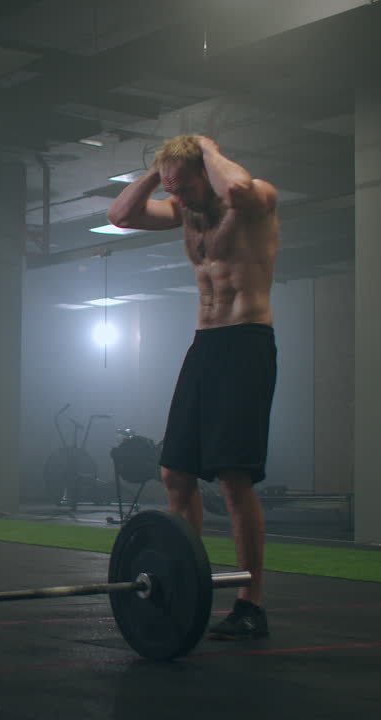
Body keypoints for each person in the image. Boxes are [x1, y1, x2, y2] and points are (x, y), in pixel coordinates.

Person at [106, 135, 280, 641]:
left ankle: (252, 603)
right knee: (175, 472)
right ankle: (186, 580)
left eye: (184, 187)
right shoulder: (186, 210)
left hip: (247, 343)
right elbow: (121, 215)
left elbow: (241, 187)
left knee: (232, 478)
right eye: (171, 190)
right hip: (203, 346)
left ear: (205, 171)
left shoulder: (253, 198)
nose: (177, 199)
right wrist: (157, 172)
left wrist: (204, 146)